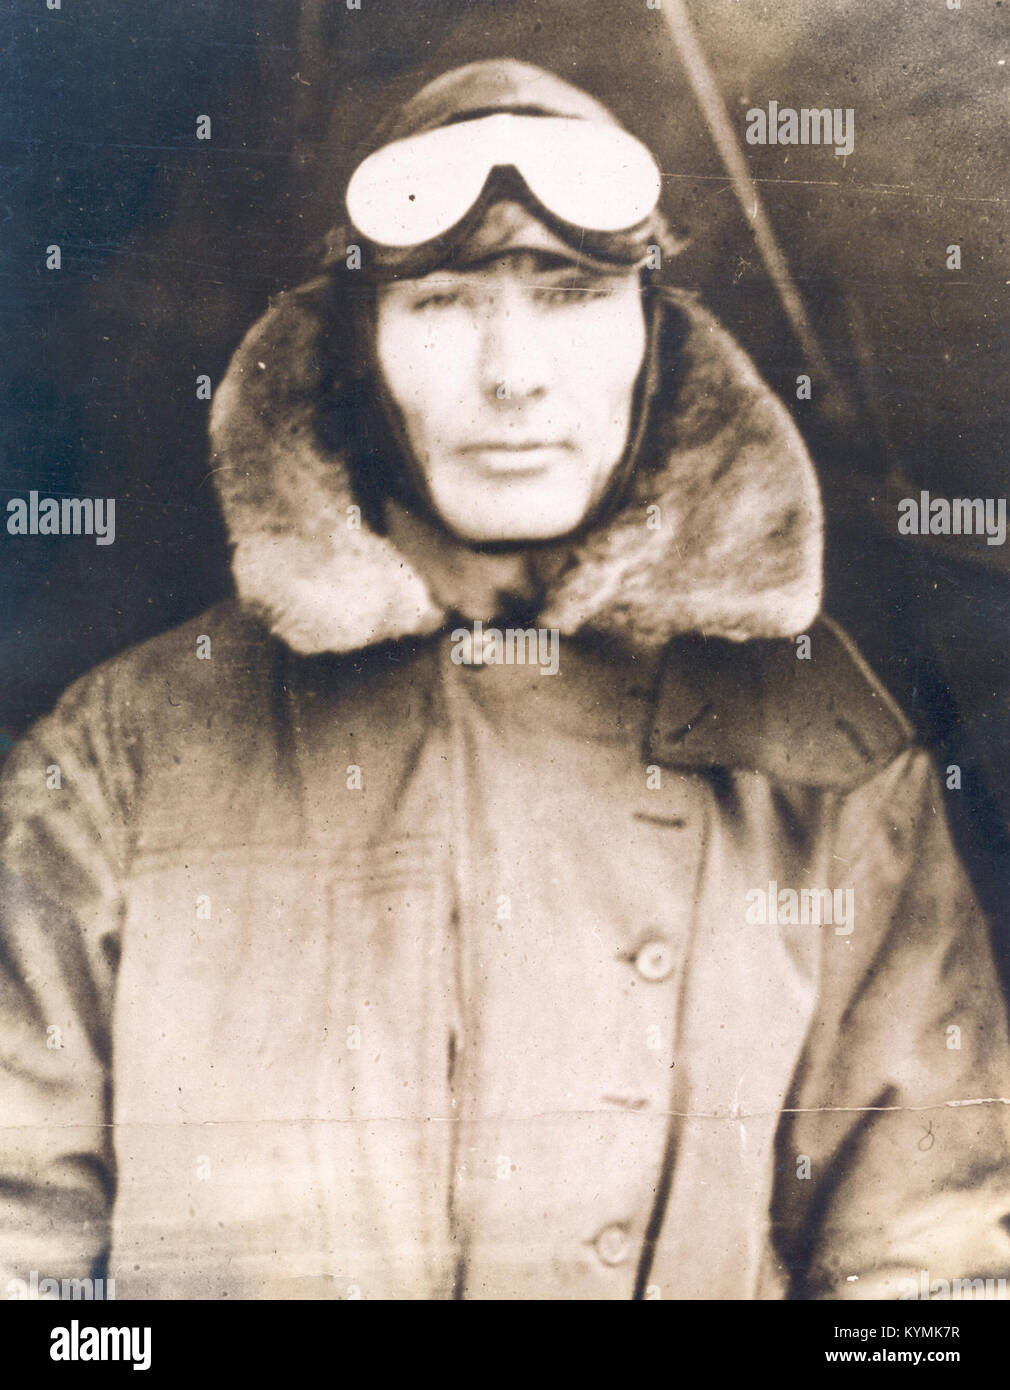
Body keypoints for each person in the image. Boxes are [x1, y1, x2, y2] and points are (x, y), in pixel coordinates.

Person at [1, 58, 1008, 1302]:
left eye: (574, 294)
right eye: (437, 302)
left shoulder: (823, 768)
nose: (512, 373)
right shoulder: (121, 758)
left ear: (655, 339)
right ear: (353, 351)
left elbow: (926, 1279)